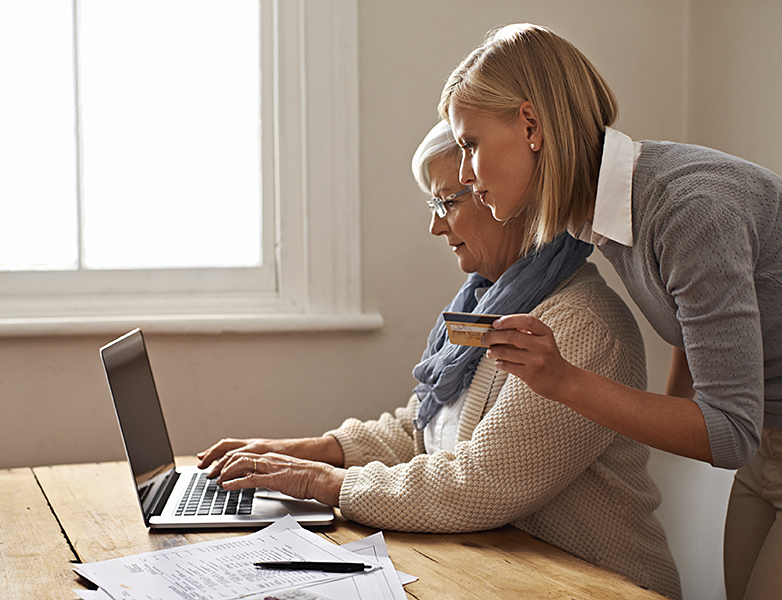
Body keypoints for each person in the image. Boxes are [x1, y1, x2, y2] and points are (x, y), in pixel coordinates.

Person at [197, 120, 682, 599]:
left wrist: (319, 481)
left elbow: (478, 484)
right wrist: (304, 451)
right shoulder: (488, 301)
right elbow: (422, 433)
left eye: (447, 201)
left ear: (507, 194)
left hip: (603, 587)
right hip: (503, 575)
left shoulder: (581, 324)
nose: (435, 225)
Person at [438, 23, 782, 600]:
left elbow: (730, 433)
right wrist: (674, 424)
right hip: (773, 445)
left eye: (469, 145)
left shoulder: (686, 210)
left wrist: (563, 380)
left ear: (531, 126)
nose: (463, 174)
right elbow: (700, 327)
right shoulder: (605, 213)